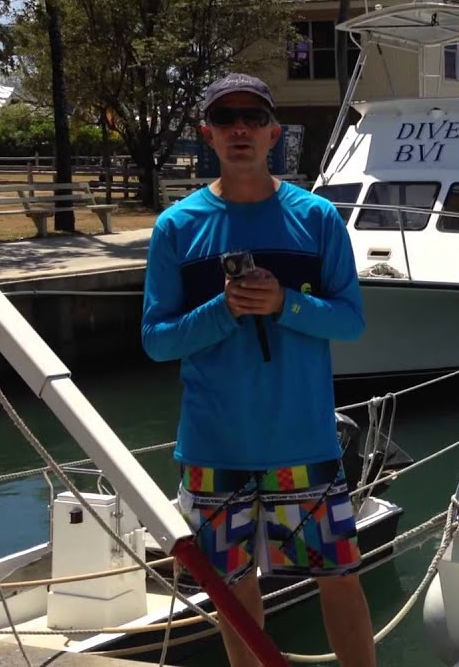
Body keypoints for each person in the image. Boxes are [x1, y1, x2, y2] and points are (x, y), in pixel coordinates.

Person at [140, 73, 373, 667]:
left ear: (273, 132)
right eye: (225, 119)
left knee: (339, 578)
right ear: (207, 134)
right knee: (234, 596)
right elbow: (157, 341)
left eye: (251, 117)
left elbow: (350, 320)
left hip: (305, 445)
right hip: (214, 450)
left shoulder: (317, 219)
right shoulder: (176, 228)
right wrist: (223, 310)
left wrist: (284, 304)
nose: (239, 128)